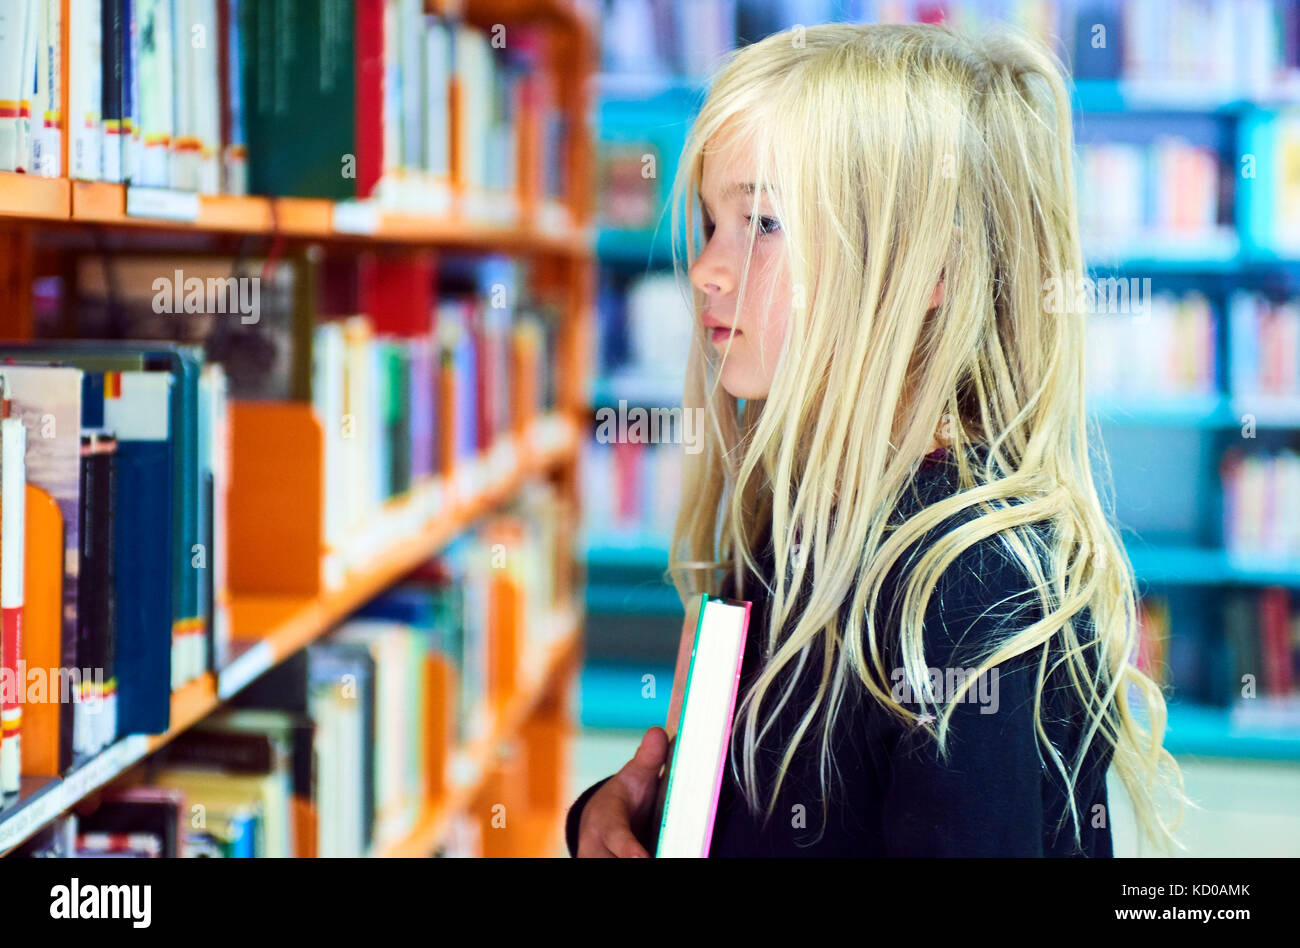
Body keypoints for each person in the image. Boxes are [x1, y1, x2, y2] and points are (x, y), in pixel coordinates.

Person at [568, 21, 1186, 857]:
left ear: (931, 268)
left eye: (762, 222)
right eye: (712, 223)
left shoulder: (967, 595)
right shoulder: (797, 509)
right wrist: (619, 812)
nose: (707, 268)